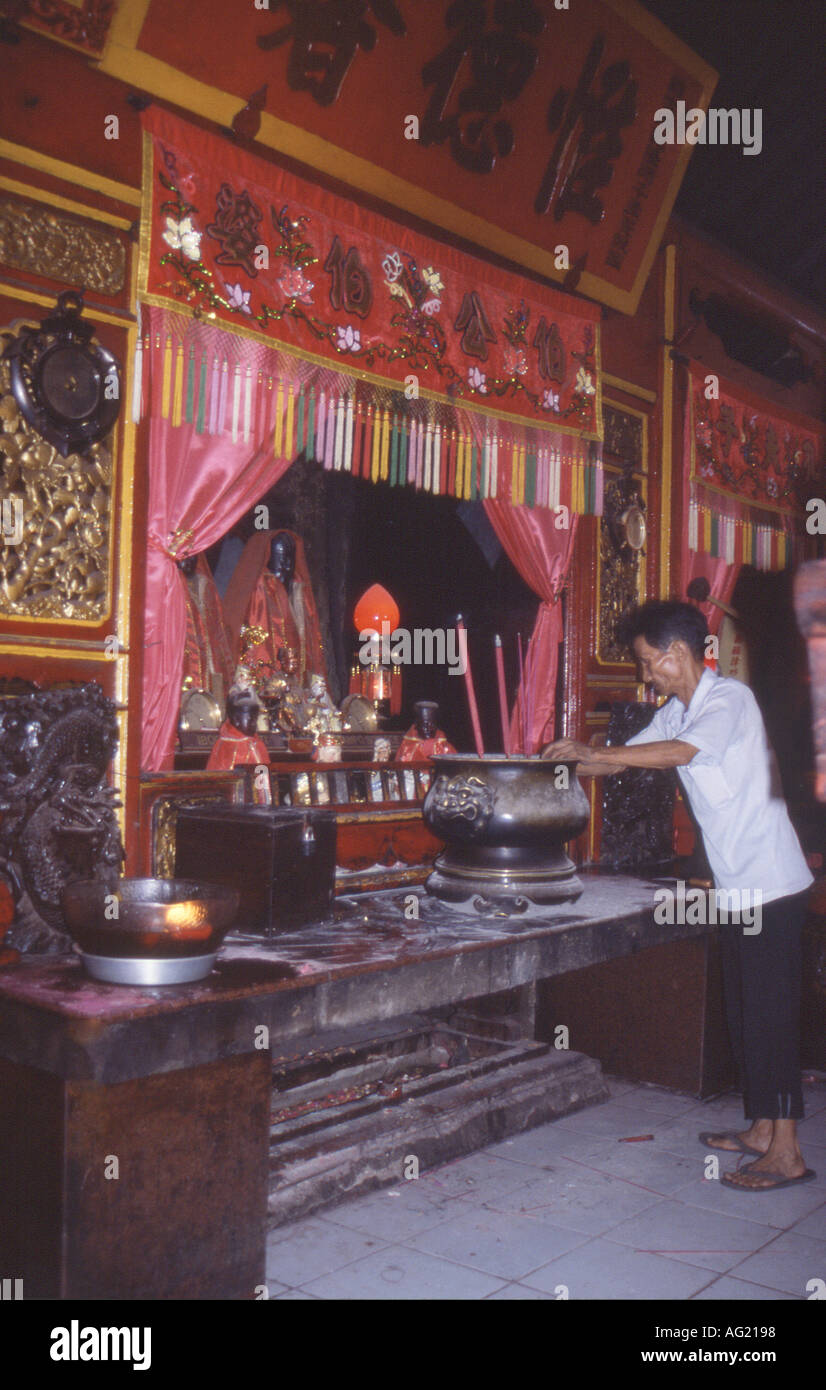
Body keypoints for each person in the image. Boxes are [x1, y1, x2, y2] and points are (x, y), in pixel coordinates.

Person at [542, 599, 815, 1192]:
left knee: (770, 1016)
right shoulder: (679, 709)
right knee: (745, 1012)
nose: (646, 675)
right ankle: (763, 1131)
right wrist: (569, 758)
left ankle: (788, 1152)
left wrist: (601, 754)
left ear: (679, 653)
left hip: (772, 884)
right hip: (739, 887)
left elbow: (679, 754)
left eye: (648, 663)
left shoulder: (728, 702)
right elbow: (631, 758)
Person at [223, 529, 326, 687]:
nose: (286, 566)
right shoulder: (259, 594)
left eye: (289, 559)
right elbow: (253, 647)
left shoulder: (300, 595)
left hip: (296, 684)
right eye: (280, 559)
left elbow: (312, 647)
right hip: (264, 682)